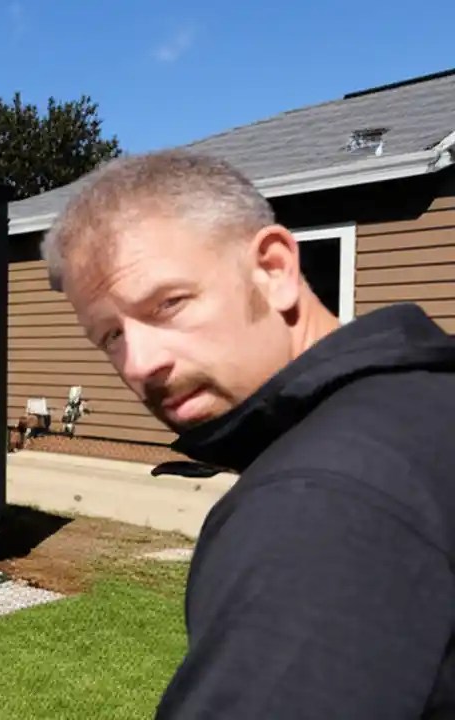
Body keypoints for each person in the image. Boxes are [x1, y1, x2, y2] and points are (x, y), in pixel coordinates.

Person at [41, 148, 455, 718]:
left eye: (168, 304)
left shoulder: (318, 501)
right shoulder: (427, 401)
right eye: (110, 336)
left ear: (275, 270)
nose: (138, 364)